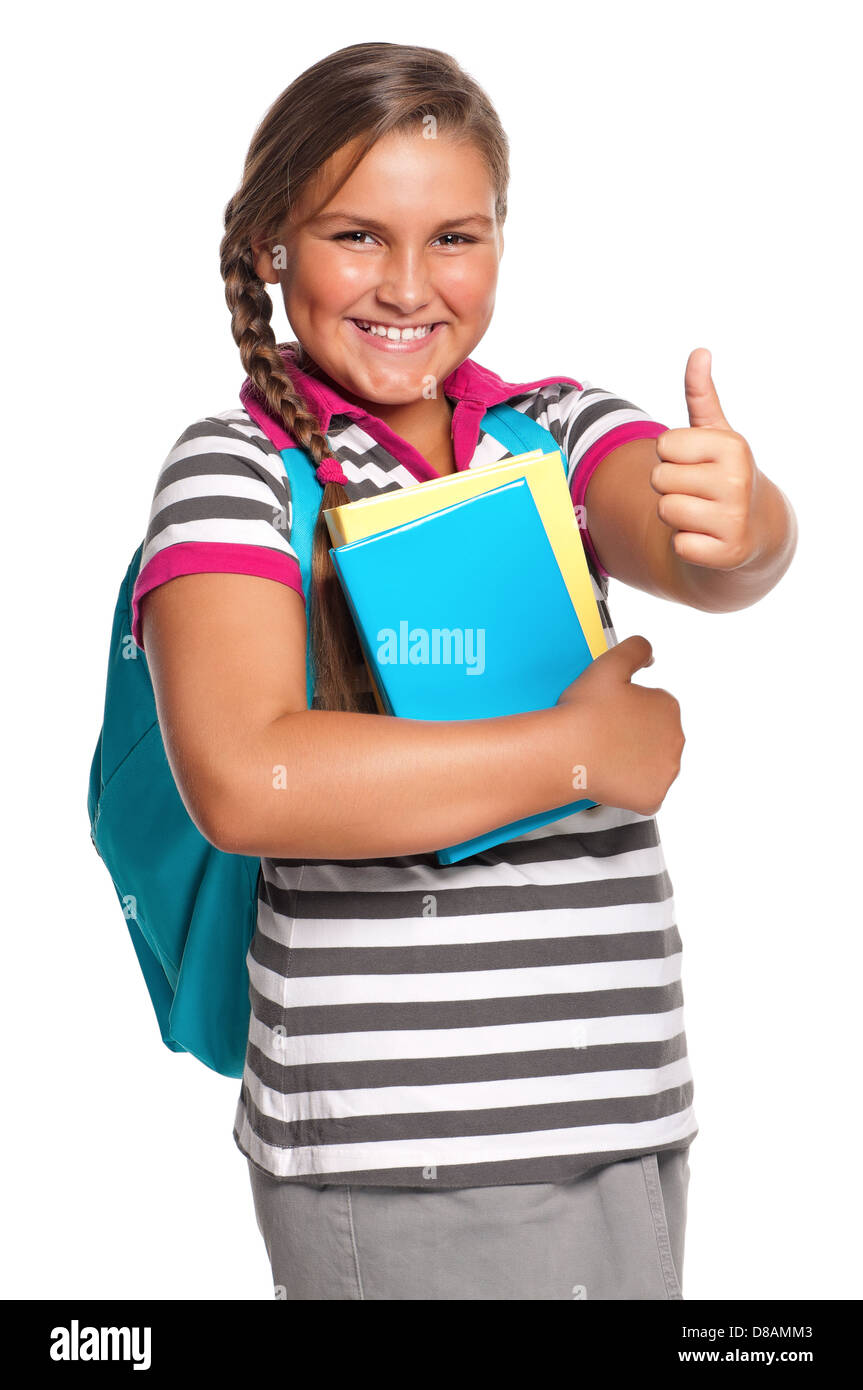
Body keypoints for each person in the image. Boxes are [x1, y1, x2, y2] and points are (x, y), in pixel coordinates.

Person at [132, 42, 797, 1300]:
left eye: (454, 237)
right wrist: (578, 755)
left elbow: (700, 550)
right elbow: (243, 776)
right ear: (276, 244)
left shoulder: (544, 427)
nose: (407, 283)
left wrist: (745, 519)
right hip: (411, 1142)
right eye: (354, 236)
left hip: (615, 1102)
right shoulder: (236, 466)